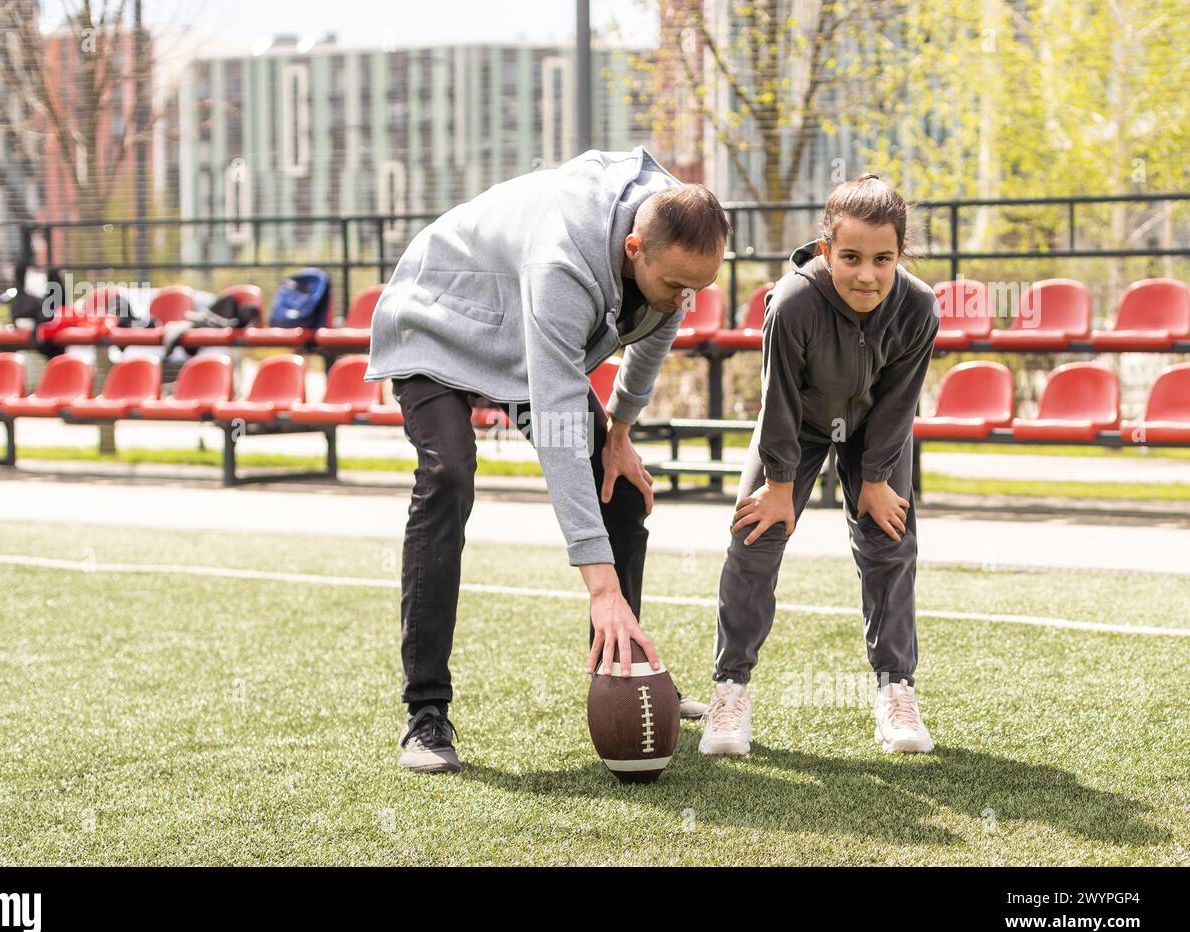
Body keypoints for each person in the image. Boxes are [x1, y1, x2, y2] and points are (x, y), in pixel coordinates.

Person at [364, 146, 730, 773]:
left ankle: (625, 672)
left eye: (699, 287)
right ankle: (425, 716)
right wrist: (601, 587)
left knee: (619, 489)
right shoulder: (566, 260)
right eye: (675, 285)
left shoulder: (679, 229)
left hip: (520, 329)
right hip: (437, 317)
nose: (684, 301)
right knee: (448, 474)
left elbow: (656, 326)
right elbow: (558, 421)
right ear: (634, 249)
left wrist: (619, 431)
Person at [699, 173, 941, 757]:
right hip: (797, 425)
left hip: (874, 433)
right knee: (755, 536)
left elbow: (899, 402)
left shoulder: (919, 306)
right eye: (851, 256)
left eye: (883, 259)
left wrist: (877, 480)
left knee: (891, 540)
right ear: (827, 249)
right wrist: (779, 485)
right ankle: (730, 690)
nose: (867, 274)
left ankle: (895, 690)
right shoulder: (793, 301)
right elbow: (777, 396)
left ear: (900, 255)